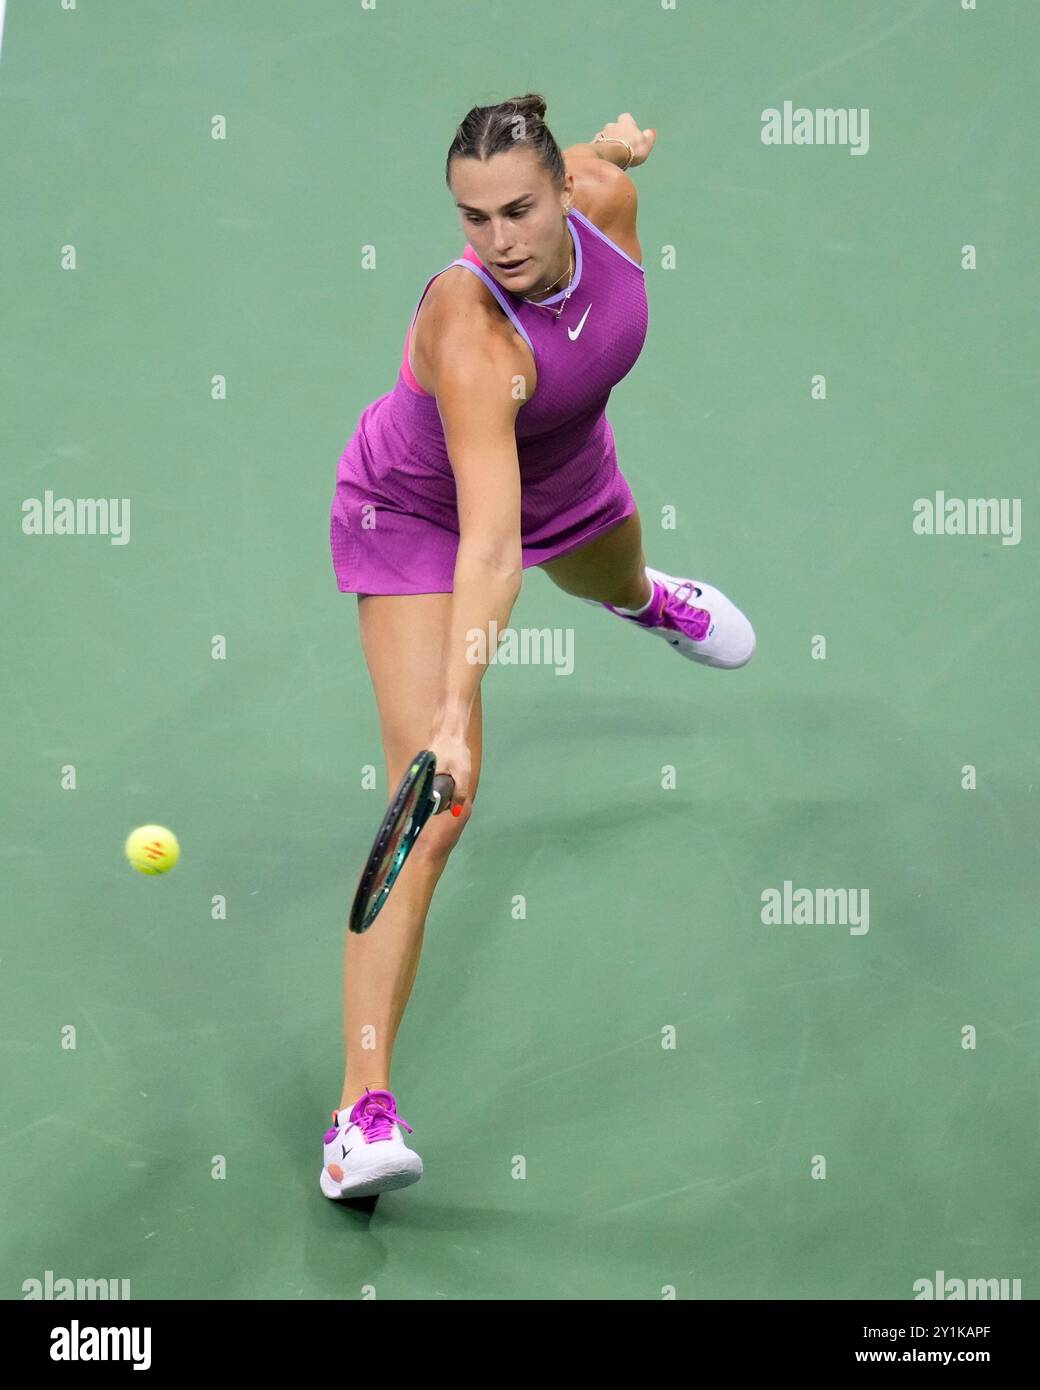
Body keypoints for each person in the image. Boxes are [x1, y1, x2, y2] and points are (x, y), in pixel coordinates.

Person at [323, 95, 756, 1201]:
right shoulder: (472, 337)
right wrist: (456, 720)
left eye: (518, 209)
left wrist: (612, 146)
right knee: (432, 807)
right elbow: (490, 550)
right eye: (473, 220)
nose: (498, 241)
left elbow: (599, 161)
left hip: (565, 465)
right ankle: (358, 1112)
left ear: (566, 192)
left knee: (617, 578)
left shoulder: (604, 201)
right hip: (425, 519)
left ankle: (642, 598)